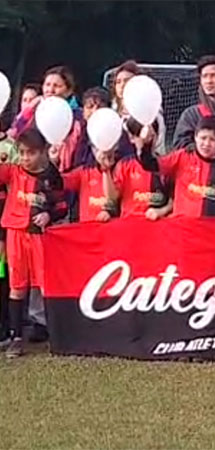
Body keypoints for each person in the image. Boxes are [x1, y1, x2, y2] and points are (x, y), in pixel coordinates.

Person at [0, 128, 66, 358]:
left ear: (43, 152)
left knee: (45, 285)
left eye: (31, 153)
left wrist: (49, 215)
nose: (26, 158)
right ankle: (16, 338)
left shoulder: (52, 176)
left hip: (39, 237)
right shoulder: (14, 172)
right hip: (15, 233)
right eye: (22, 152)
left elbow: (61, 206)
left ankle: (57, 336)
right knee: (17, 287)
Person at [141, 117, 215, 217]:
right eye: (203, 138)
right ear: (195, 137)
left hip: (210, 228)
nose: (207, 144)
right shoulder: (182, 156)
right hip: (182, 227)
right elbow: (151, 165)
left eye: (213, 140)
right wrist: (146, 145)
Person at [10, 66, 84, 173]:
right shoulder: (35, 110)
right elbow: (16, 132)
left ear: (68, 91)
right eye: (47, 85)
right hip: (30, 171)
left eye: (57, 86)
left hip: (65, 174)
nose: (50, 90)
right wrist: (30, 107)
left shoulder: (77, 117)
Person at [103, 128, 171, 221]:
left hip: (155, 227)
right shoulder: (124, 165)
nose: (146, 139)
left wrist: (161, 211)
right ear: (132, 138)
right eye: (142, 136)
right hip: (127, 225)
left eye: (150, 136)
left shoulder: (165, 164)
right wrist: (105, 170)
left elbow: (174, 201)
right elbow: (112, 198)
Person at [172, 55, 215, 150]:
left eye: (214, 76)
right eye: (204, 76)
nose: (209, 81)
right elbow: (180, 145)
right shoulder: (191, 115)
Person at [111, 60, 167, 156]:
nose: (122, 85)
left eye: (127, 80)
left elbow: (156, 144)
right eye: (118, 82)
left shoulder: (152, 112)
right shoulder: (113, 111)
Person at [61, 137, 116, 223]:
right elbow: (58, 182)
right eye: (95, 147)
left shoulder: (124, 168)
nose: (101, 152)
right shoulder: (84, 172)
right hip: (87, 231)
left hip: (113, 229)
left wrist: (110, 211)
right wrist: (52, 162)